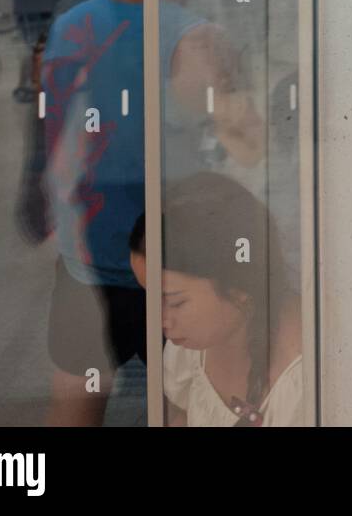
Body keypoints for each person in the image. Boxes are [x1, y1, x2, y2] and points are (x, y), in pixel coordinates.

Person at [38, 0, 263, 426]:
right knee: (180, 404)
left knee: (75, 400)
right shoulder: (196, 36)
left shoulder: (71, 25)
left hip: (86, 252)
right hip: (173, 257)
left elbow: (55, 139)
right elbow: (250, 148)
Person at [128, 172, 303, 427]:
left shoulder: (309, 384)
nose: (156, 318)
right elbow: (179, 416)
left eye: (175, 302)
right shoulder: (189, 347)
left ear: (239, 287)